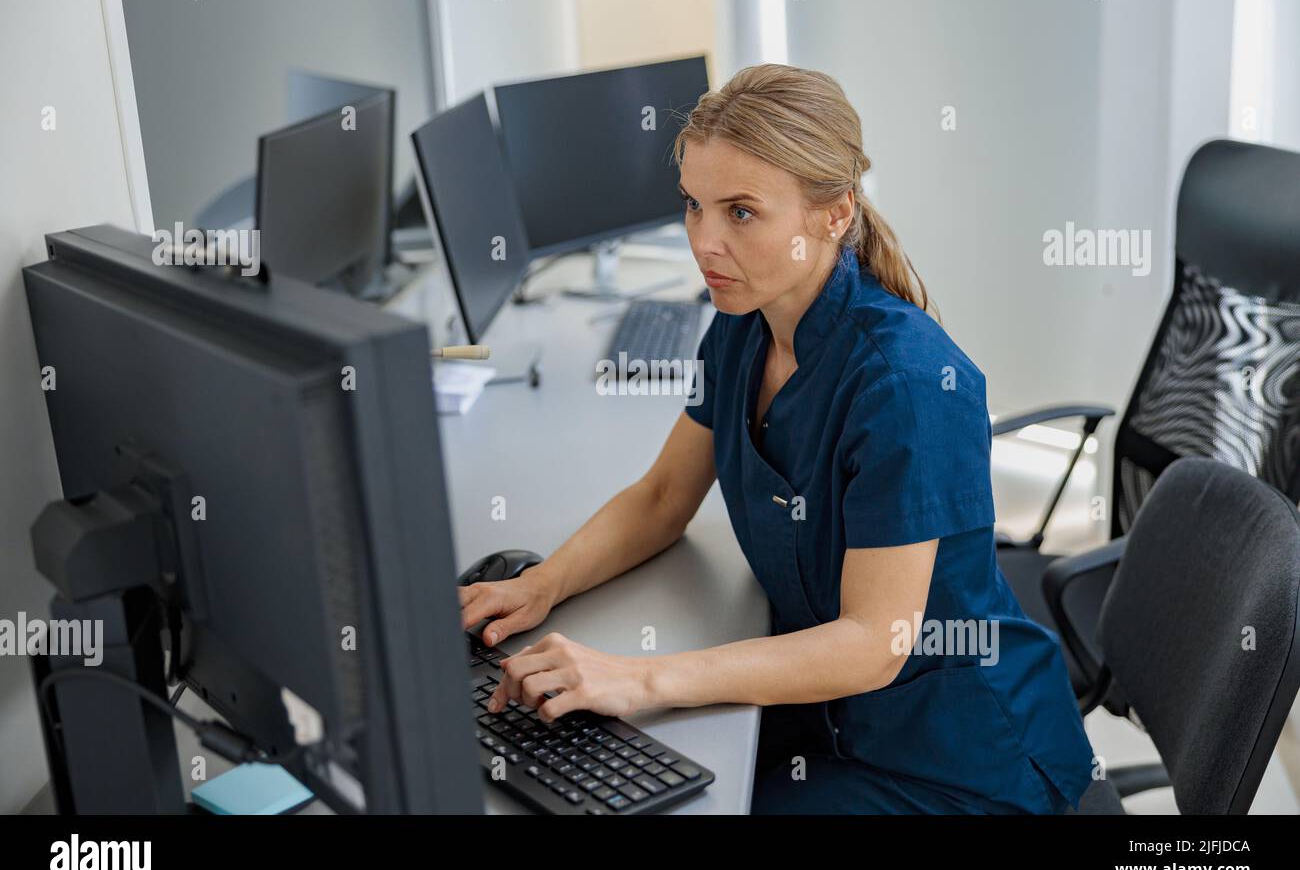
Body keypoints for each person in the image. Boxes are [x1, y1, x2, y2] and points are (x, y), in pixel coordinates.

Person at [460, 64, 1095, 814]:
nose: (705, 241)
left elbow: (872, 641)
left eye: (741, 213)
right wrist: (543, 584)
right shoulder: (741, 328)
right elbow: (665, 496)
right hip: (828, 714)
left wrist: (641, 676)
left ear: (833, 214)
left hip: (958, 759)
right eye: (694, 206)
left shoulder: (909, 386)